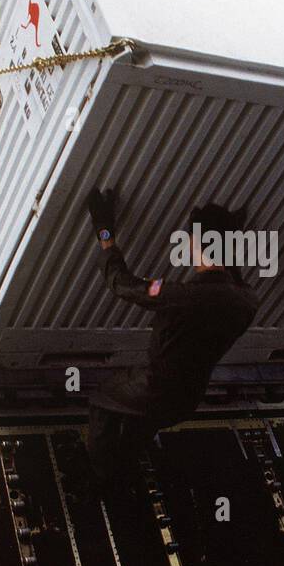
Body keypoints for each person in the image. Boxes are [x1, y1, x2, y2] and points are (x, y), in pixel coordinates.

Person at [85, 190, 260, 484]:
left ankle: (102, 478)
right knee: (142, 423)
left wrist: (105, 231)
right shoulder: (247, 299)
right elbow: (229, 277)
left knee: (102, 399)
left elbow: (122, 283)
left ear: (197, 243)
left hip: (154, 389)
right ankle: (125, 466)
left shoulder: (179, 295)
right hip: (187, 399)